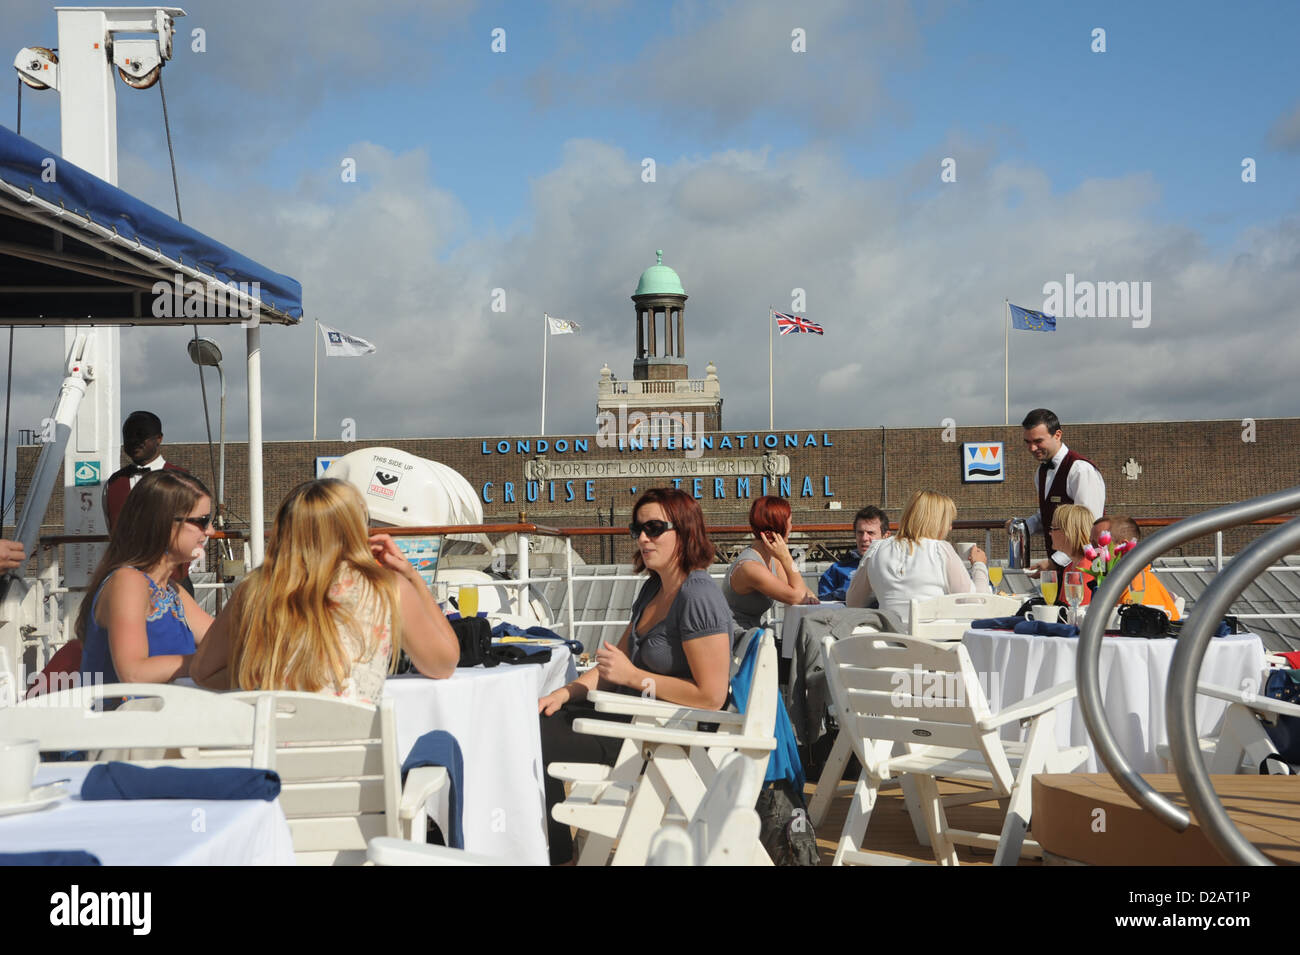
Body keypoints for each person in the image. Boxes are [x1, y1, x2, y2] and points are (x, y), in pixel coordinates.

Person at [538, 487, 732, 864]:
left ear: (686, 531)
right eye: (638, 529)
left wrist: (633, 678)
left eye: (655, 528)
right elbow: (616, 666)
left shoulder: (698, 595)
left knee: (535, 737)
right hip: (636, 723)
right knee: (536, 719)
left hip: (668, 737)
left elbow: (712, 696)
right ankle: (557, 852)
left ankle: (559, 856)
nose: (643, 538)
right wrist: (565, 693)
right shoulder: (654, 589)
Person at [191, 479, 459, 702]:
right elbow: (443, 664)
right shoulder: (386, 587)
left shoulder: (253, 588)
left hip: (271, 755)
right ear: (354, 529)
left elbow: (203, 672)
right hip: (354, 757)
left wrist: (273, 677)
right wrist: (411, 577)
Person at [77, 470, 215, 685]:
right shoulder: (127, 582)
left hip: (162, 712)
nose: (210, 531)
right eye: (202, 521)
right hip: (125, 716)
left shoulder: (171, 590)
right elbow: (133, 673)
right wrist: (207, 662)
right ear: (164, 523)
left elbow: (222, 641)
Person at [845, 490, 989, 627]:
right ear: (936, 522)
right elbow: (977, 604)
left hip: (890, 643)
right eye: (948, 521)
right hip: (936, 646)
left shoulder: (876, 549)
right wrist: (979, 565)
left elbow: (853, 602)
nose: (950, 527)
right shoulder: (940, 549)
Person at [1006, 408, 1105, 561]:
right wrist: (1023, 526)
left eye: (1038, 441)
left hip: (1086, 567)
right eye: (1028, 442)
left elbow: (1090, 526)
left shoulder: (1080, 470)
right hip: (1061, 567)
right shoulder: (1041, 472)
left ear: (1058, 435)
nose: (1032, 448)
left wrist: (1055, 562)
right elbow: (1047, 516)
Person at [721, 495, 818, 632]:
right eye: (789, 522)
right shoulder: (750, 568)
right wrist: (787, 558)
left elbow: (802, 591)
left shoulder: (772, 559)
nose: (791, 527)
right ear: (776, 530)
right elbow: (798, 597)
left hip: (755, 633)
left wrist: (810, 596)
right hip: (737, 640)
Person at [1090, 515, 1180, 620]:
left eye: (1097, 544)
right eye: (1091, 544)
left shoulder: (1136, 585)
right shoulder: (1119, 581)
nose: (1092, 550)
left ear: (1123, 546)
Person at [818, 505, 890, 602]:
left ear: (886, 536)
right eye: (860, 532)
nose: (864, 538)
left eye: (870, 533)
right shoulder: (836, 571)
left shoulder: (896, 568)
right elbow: (823, 605)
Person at [1045, 503, 1095, 608]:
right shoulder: (1070, 566)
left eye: (1053, 528)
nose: (1050, 533)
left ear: (1069, 532)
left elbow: (1080, 613)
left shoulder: (1087, 569)